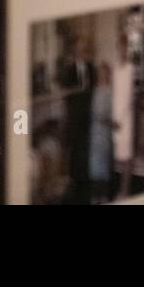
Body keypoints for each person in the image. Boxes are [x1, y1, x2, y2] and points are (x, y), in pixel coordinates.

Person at [57, 33, 95, 204]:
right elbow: (65, 93)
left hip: (87, 117)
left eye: (84, 49)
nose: (82, 52)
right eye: (80, 49)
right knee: (73, 151)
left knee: (85, 151)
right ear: (76, 51)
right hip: (74, 117)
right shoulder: (70, 70)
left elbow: (94, 91)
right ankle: (73, 186)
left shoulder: (91, 68)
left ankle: (85, 185)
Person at [111, 32, 135, 198]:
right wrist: (113, 118)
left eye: (124, 47)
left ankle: (125, 192)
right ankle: (117, 189)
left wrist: (119, 119)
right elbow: (114, 94)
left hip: (125, 118)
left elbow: (128, 97)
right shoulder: (115, 69)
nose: (122, 51)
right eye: (119, 47)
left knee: (126, 157)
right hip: (115, 117)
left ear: (127, 49)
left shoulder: (130, 69)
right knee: (117, 155)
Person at [88, 63, 113, 203]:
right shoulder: (95, 90)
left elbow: (111, 112)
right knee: (94, 165)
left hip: (105, 132)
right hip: (95, 131)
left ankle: (103, 196)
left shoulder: (110, 91)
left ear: (108, 74)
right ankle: (94, 196)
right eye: (100, 72)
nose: (102, 75)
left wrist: (107, 120)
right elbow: (92, 111)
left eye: (105, 72)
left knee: (104, 164)